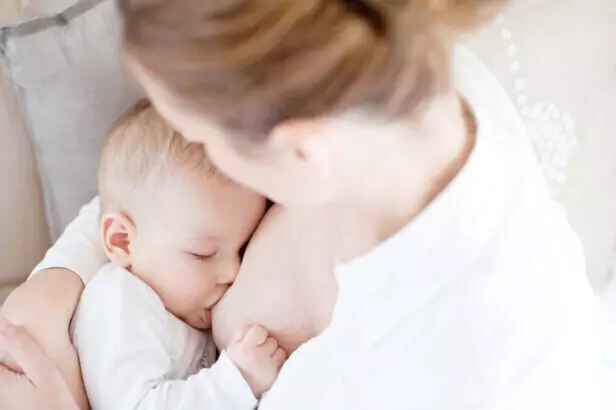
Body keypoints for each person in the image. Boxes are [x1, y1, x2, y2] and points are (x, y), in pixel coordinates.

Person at [0, 0, 601, 409]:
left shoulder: (411, 367)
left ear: (298, 147)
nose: (200, 151)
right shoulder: (394, 72)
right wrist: (62, 275)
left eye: (205, 137)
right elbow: (162, 184)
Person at [74, 100, 285, 409]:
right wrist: (236, 381)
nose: (232, 272)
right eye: (203, 254)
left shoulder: (177, 306)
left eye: (242, 248)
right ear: (121, 241)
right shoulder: (120, 303)